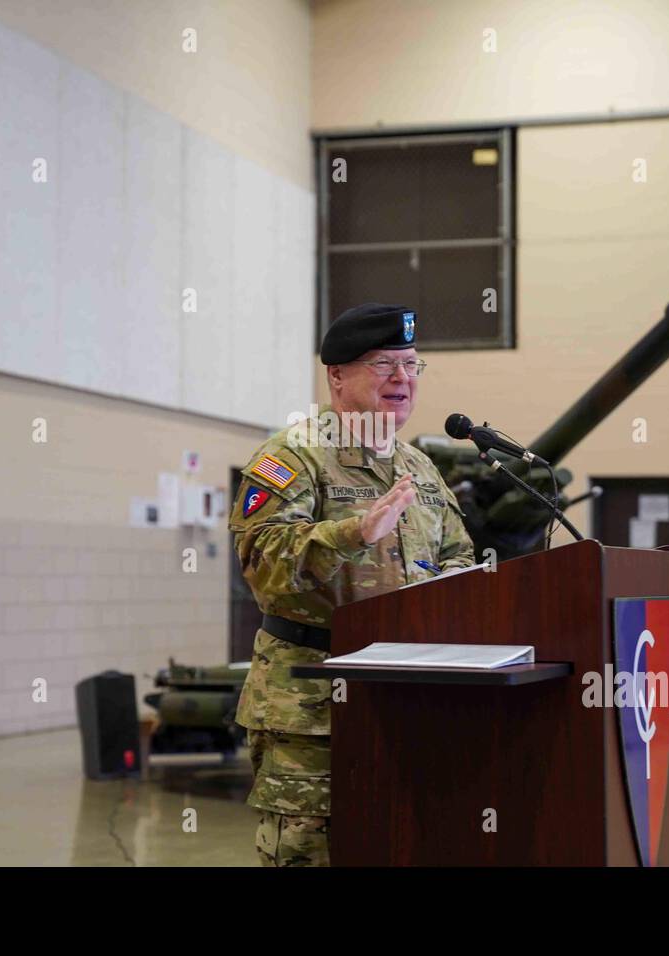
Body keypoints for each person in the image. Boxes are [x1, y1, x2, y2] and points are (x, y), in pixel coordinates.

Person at [229, 303, 476, 866]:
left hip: (409, 700)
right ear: (336, 375)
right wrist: (354, 532)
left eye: (412, 365)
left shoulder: (420, 467)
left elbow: (459, 555)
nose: (402, 379)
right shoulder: (293, 457)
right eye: (384, 364)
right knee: (310, 855)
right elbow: (263, 564)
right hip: (313, 708)